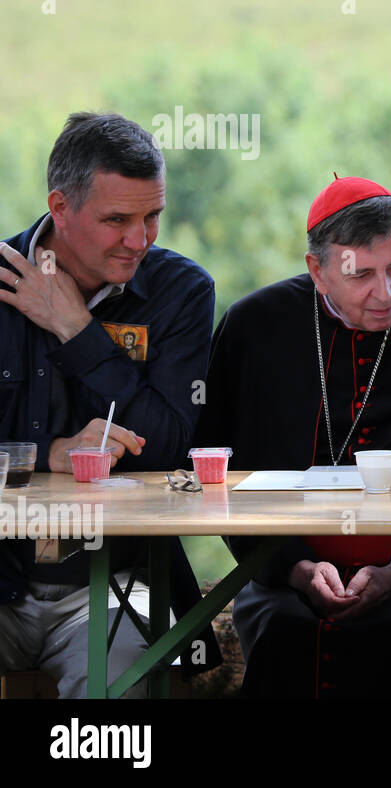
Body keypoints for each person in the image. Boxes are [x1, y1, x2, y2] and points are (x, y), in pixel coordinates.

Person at [195, 176, 391, 698]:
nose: (385, 293)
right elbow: (221, 476)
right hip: (284, 568)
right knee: (289, 637)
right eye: (361, 274)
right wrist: (295, 569)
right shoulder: (255, 326)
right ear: (317, 270)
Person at [0, 112, 218, 697]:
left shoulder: (182, 292)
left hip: (120, 580)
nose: (139, 240)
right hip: (4, 577)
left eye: (153, 217)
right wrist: (47, 453)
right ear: (60, 206)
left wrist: (77, 331)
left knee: (122, 701)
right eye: (117, 220)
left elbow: (170, 446)